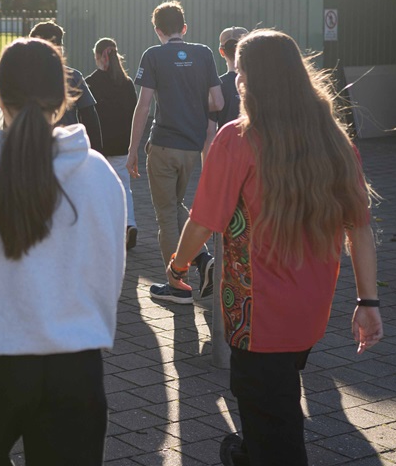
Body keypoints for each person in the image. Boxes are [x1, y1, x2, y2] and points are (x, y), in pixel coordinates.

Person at [164, 30, 383, 466]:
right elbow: (359, 229)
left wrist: (178, 266)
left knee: (274, 424)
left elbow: (204, 222)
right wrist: (368, 302)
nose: (237, 82)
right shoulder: (336, 142)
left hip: (256, 316)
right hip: (309, 312)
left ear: (253, 79)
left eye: (241, 73)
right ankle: (246, 451)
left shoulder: (237, 140)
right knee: (277, 401)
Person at [0, 38, 127, 465]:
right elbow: (109, 274)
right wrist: (86, 327)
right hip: (76, 368)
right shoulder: (98, 174)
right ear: (64, 98)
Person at [126, 0, 223, 305]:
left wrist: (132, 150)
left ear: (157, 30)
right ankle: (204, 258)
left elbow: (143, 107)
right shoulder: (205, 53)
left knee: (166, 215)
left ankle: (175, 284)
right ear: (184, 27)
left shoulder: (153, 55)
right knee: (176, 205)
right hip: (191, 148)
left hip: (164, 144)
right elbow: (218, 102)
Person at [85, 37, 139, 250]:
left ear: (98, 57)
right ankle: (129, 224)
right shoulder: (126, 83)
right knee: (124, 185)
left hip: (98, 144)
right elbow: (134, 113)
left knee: (98, 187)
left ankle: (103, 229)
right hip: (122, 144)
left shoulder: (90, 82)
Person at [29, 21, 103, 151]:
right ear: (60, 48)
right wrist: (96, 152)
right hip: (68, 148)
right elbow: (90, 117)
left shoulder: (22, 77)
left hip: (33, 149)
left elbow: (10, 120)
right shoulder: (72, 77)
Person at [208, 26, 248, 139]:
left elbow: (210, 133)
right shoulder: (261, 84)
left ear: (221, 51)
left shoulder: (215, 88)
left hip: (227, 151)